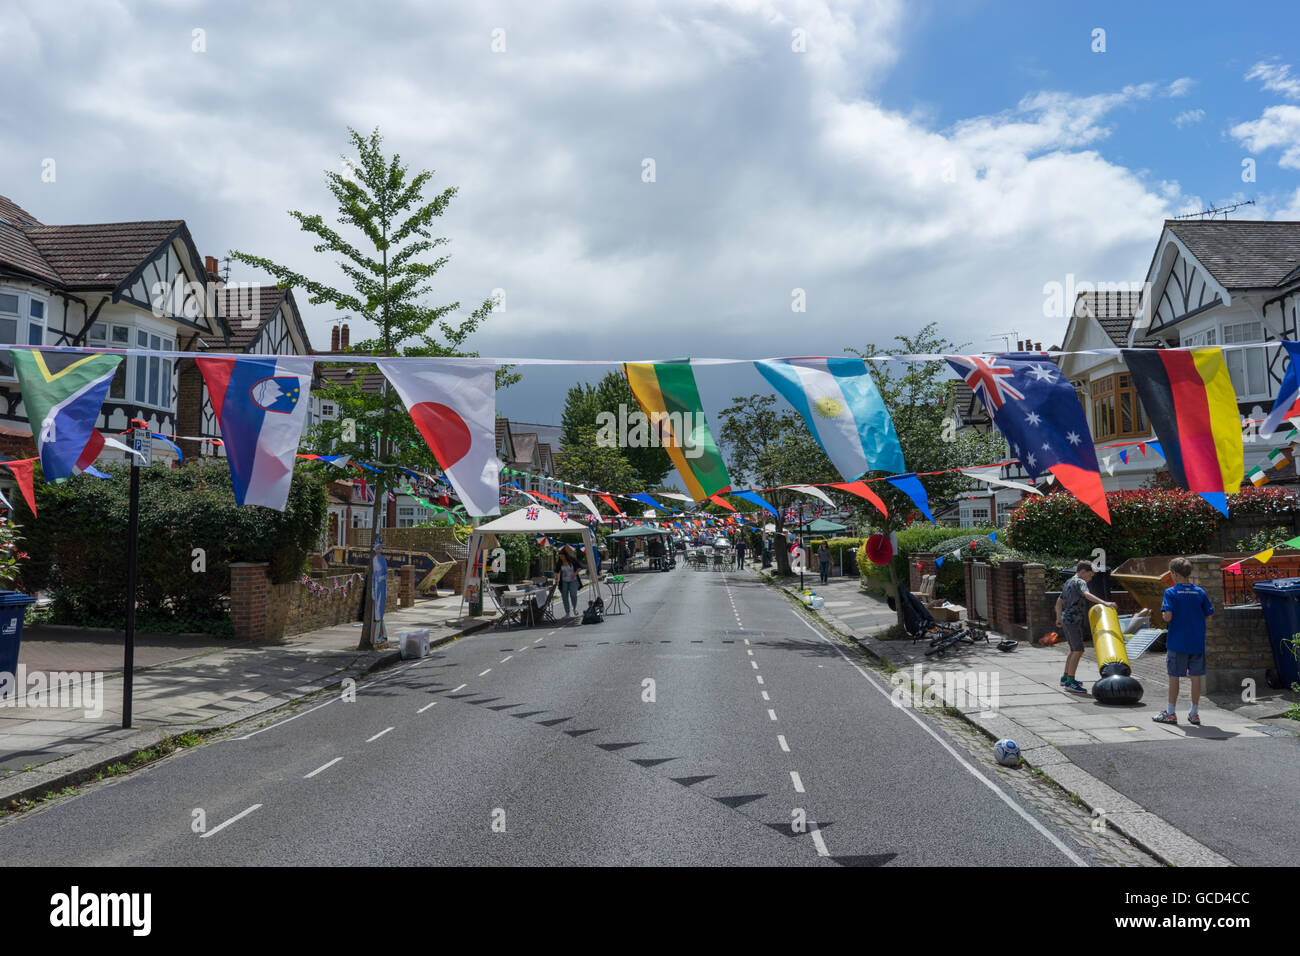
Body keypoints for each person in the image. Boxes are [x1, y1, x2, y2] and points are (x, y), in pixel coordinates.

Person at [1154, 557, 1214, 726]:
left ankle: (1171, 713)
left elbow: (1167, 616)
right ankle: (1194, 713)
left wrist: (1164, 615)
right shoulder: (1200, 592)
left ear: (1174, 573)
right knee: (1196, 678)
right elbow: (1208, 616)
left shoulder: (1170, 592)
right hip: (1196, 642)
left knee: (1174, 677)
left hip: (1177, 642)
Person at [1054, 560, 1116, 694]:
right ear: (1083, 571)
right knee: (1078, 650)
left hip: (1066, 618)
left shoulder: (1069, 581)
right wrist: (1105, 602)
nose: (1090, 578)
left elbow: (1059, 601)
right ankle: (1070, 682)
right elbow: (1087, 595)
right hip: (1073, 620)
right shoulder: (1080, 582)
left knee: (1073, 649)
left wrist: (1058, 617)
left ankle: (1065, 678)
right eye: (1090, 575)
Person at [557, 545, 582, 618]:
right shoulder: (559, 562)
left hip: (573, 580)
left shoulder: (572, 560)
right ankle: (567, 613)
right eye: (560, 556)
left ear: (565, 556)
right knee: (564, 597)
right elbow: (556, 571)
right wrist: (556, 579)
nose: (561, 558)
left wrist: (574, 574)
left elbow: (580, 567)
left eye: (562, 556)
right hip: (564, 581)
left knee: (573, 595)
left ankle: (574, 608)